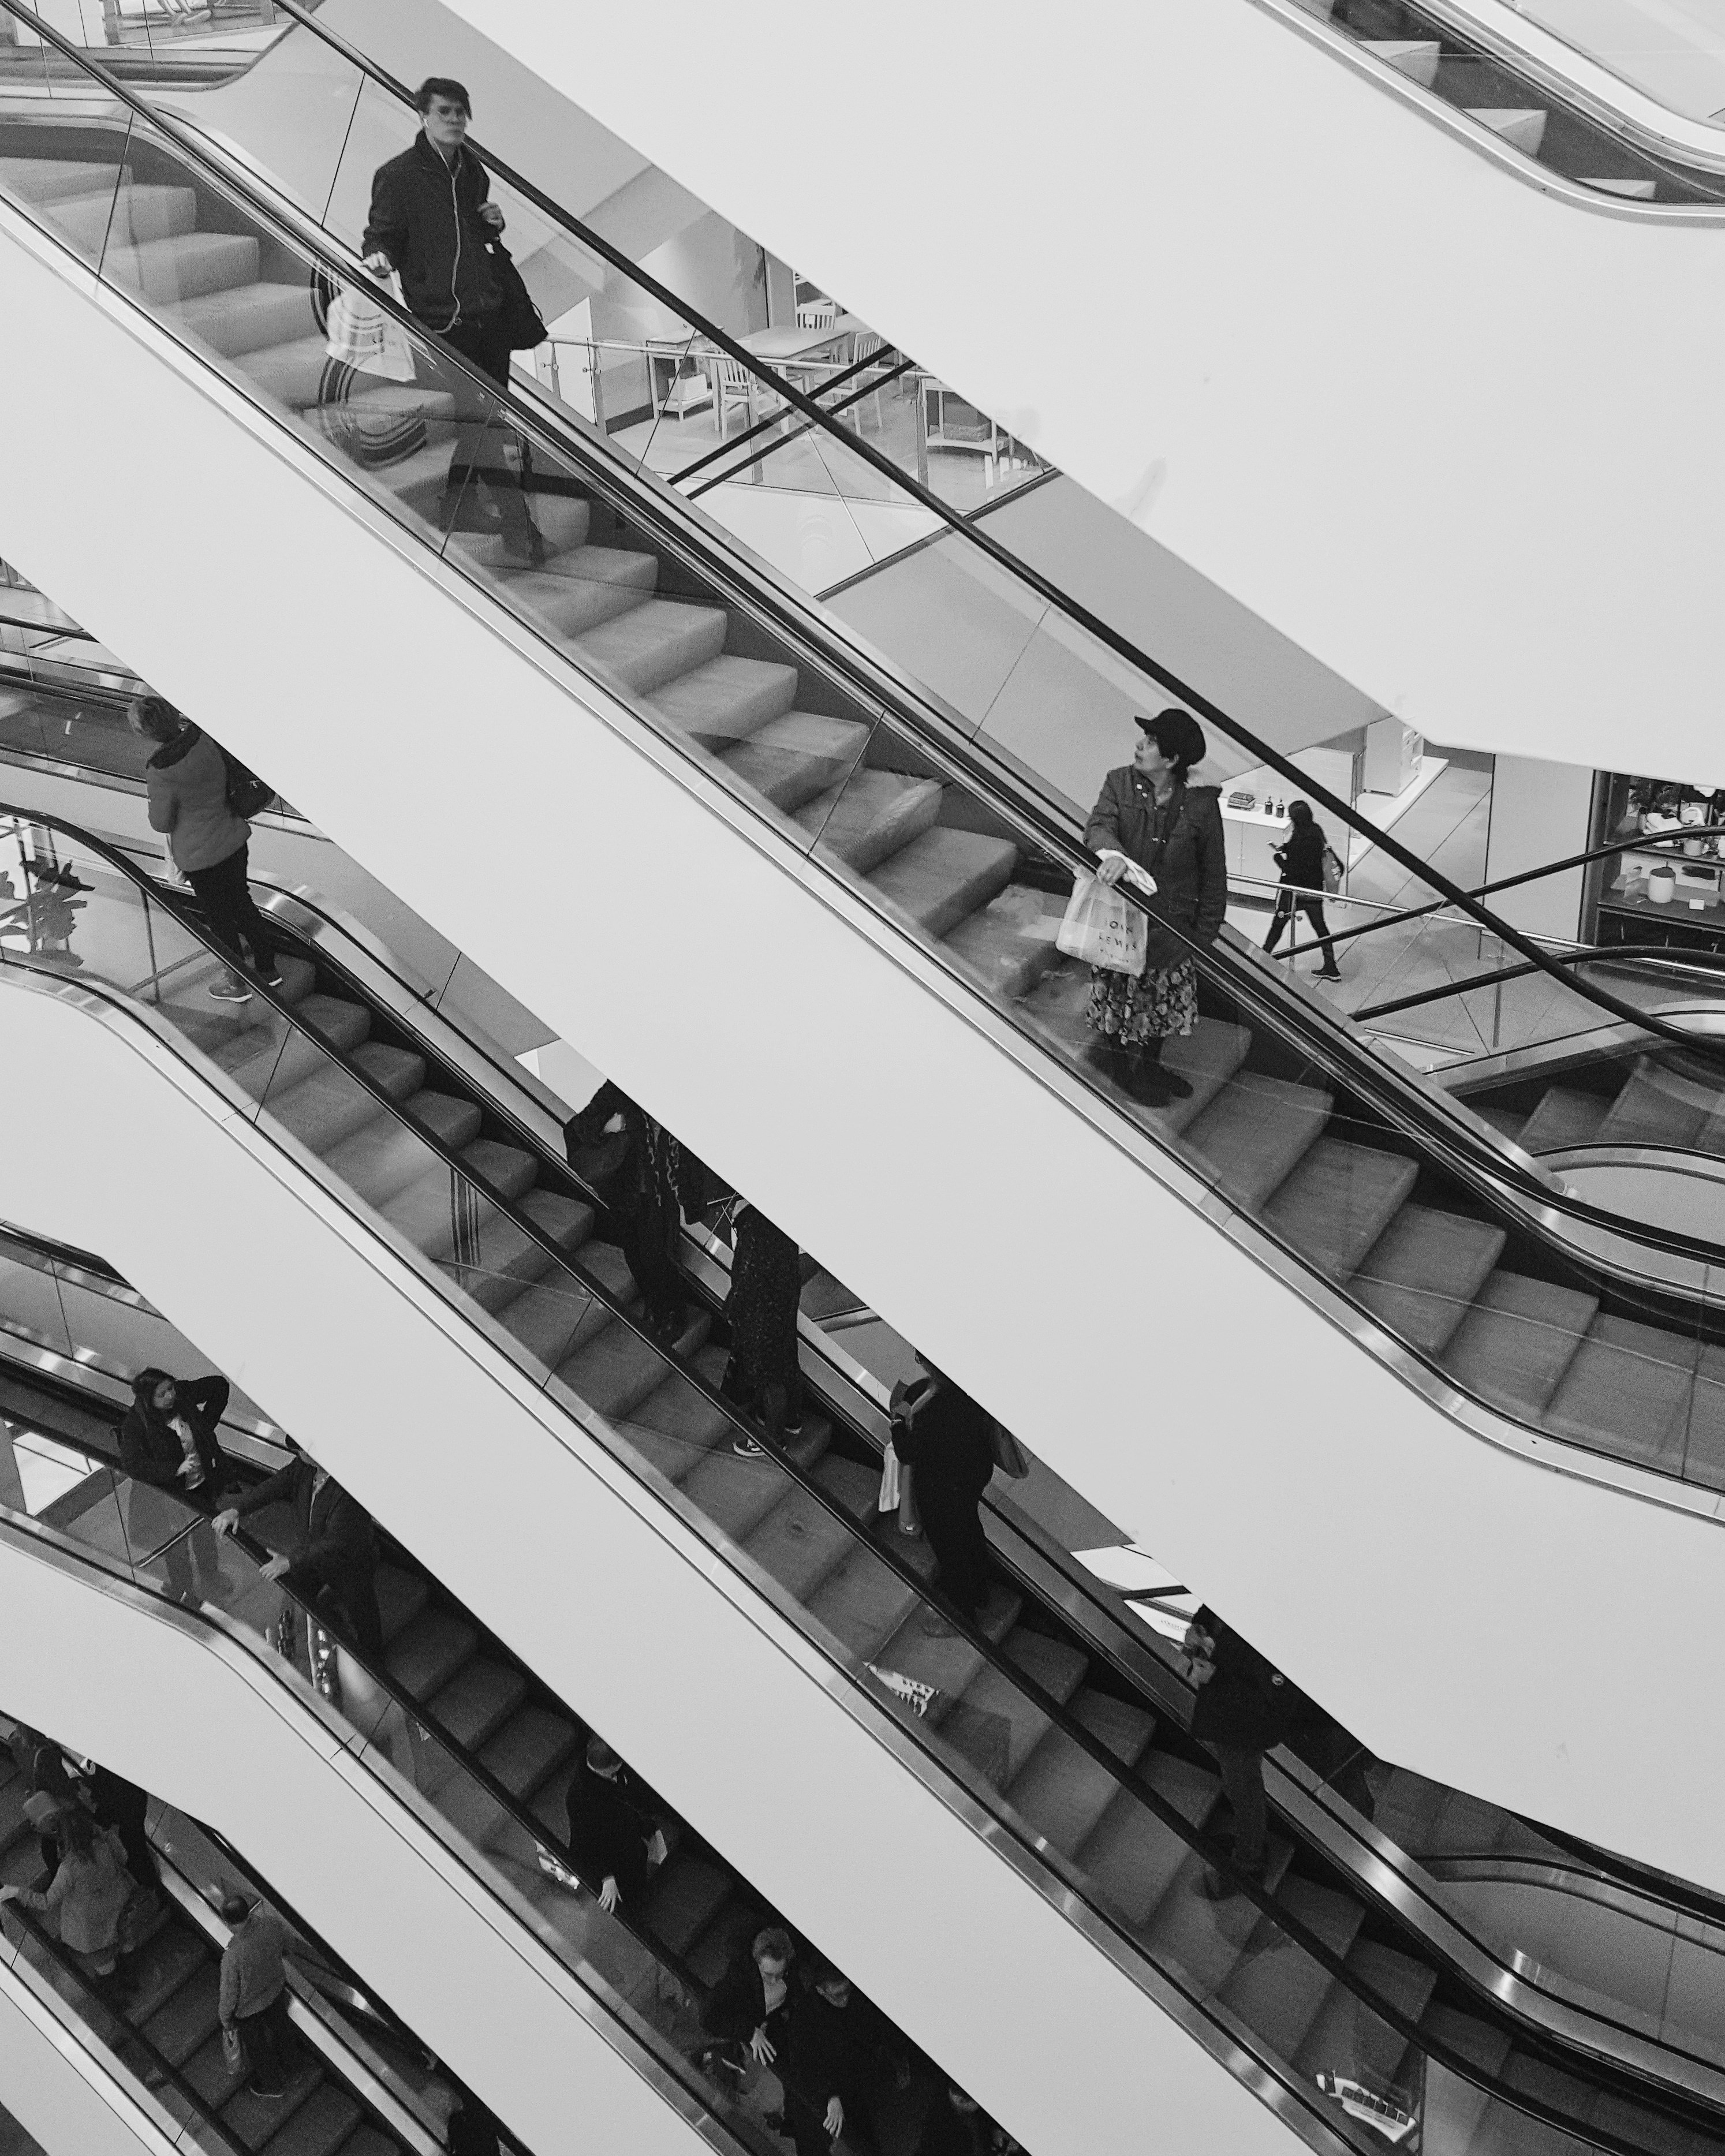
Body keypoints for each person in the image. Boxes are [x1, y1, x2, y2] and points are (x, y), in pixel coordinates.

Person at [362, 79, 546, 564]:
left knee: (483, 421)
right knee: (482, 420)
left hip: (487, 314)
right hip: (441, 322)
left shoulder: (472, 172)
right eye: (445, 111)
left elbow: (473, 235)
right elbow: (382, 233)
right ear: (422, 115)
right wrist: (379, 255)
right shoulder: (398, 176)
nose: (456, 120)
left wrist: (491, 223)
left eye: (462, 112)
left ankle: (458, 506)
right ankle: (519, 528)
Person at [1082, 707, 1226, 1108]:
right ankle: (1121, 1069)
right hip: (1121, 919)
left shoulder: (1200, 805)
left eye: (1149, 742)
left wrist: (1205, 932)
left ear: (1173, 759)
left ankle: (1148, 1065)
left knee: (1160, 1005)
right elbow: (1098, 825)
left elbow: (1213, 871)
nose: (1139, 746)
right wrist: (1111, 853)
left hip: (1171, 925)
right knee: (1116, 995)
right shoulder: (1119, 783)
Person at [130, 695, 282, 1004]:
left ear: (145, 732)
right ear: (173, 716)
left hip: (200, 857)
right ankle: (268, 969)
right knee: (242, 902)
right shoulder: (204, 738)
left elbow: (160, 822)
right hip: (232, 837)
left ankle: (237, 984)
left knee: (220, 919)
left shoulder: (160, 769)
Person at [213, 1441, 385, 1662]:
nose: (297, 1453)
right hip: (311, 1556)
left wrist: (289, 1562)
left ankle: (375, 1662)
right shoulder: (304, 1468)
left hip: (349, 1564)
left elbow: (335, 1543)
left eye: (301, 1450)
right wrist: (237, 1509)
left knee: (363, 1615)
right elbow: (273, 1487)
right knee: (296, 1597)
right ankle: (288, 1645)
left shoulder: (347, 1491)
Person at [1183, 1605, 1295, 1899]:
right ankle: (1250, 1848)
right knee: (1240, 1785)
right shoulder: (1235, 1592)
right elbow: (1209, 1616)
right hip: (1226, 1715)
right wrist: (1200, 1630)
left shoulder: (1276, 1625)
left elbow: (1277, 1695)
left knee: (1242, 1788)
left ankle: (1249, 1863)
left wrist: (1216, 1677)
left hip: (1242, 1726)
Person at [564, 1083, 688, 1344]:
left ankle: (672, 1314)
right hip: (626, 1193)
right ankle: (655, 1307)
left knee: (657, 1255)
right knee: (635, 1254)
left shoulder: (675, 1096)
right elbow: (577, 1128)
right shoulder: (617, 1092)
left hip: (660, 1196)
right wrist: (607, 1129)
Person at [888, 1363, 996, 1630]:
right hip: (970, 1481)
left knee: (950, 1550)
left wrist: (898, 1424)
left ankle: (962, 1618)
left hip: (941, 1490)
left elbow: (909, 1453)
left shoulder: (934, 1408)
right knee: (971, 1531)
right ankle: (980, 1591)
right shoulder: (971, 1394)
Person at [120, 1366, 233, 1601]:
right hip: (170, 1496)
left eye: (170, 1388)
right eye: (162, 1395)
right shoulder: (136, 1425)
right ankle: (183, 1588)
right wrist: (174, 1470)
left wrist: (205, 1425)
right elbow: (133, 1465)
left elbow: (219, 1386)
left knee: (204, 1533)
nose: (171, 1396)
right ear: (148, 1399)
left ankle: (210, 1575)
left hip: (200, 1484)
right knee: (175, 1544)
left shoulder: (181, 1396)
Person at [0, 1805, 134, 1985]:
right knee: (122, 1942)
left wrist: (17, 1891)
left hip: (91, 1928)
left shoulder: (69, 1869)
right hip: (117, 1904)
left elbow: (47, 1902)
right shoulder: (105, 1844)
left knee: (105, 1964)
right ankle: (128, 1975)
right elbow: (123, 1859)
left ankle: (118, 1988)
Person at [721, 1202, 804, 1458]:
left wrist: (733, 1306)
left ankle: (771, 1440)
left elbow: (746, 1273)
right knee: (786, 1361)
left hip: (760, 1309)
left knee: (768, 1375)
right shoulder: (779, 1214)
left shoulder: (754, 1227)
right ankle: (792, 1419)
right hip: (783, 1298)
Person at [782, 1964, 883, 2155]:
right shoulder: (805, 2019)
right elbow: (802, 2065)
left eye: (847, 1992)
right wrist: (831, 2094)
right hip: (825, 2085)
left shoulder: (857, 2001)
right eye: (838, 1995)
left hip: (850, 2081)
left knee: (861, 2138)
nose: (845, 2000)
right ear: (820, 1991)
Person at [563, 1734, 654, 1913]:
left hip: (630, 1841)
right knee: (629, 1897)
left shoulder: (601, 1768)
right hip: (615, 1857)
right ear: (607, 1769)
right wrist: (607, 1877)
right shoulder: (581, 1799)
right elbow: (585, 1842)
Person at [217, 1893, 294, 2098]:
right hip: (276, 1990)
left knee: (259, 2049)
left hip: (249, 2009)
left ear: (227, 1921)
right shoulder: (270, 1926)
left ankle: (274, 2086)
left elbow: (229, 1993)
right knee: (282, 2030)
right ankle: (293, 2069)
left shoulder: (232, 1957)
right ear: (248, 1912)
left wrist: (226, 2019)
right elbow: (289, 1946)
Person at [701, 1925, 797, 2081]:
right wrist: (751, 2033)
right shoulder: (738, 1981)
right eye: (767, 1974)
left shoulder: (790, 1975)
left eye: (780, 1974)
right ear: (756, 1961)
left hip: (773, 2036)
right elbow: (708, 2016)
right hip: (745, 2052)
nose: (773, 1981)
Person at [1262, 799, 1341, 979]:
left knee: (1279, 923)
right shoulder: (1316, 830)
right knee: (1320, 927)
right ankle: (1331, 966)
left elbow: (1291, 869)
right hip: (1314, 889)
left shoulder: (1299, 841)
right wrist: (1286, 848)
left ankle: (1263, 957)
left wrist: (1278, 858)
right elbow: (1310, 853)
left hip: (1294, 890)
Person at [85, 1762, 158, 1893]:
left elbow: (108, 1793)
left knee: (134, 1849)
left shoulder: (106, 1770)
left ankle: (149, 1887)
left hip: (127, 1810)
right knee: (136, 1846)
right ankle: (150, 1886)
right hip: (133, 1806)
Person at [916, 2083, 1020, 2156]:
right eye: (977, 2103)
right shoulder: (946, 2135)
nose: (980, 2106)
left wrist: (993, 2131)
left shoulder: (952, 2098)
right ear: (960, 2100)